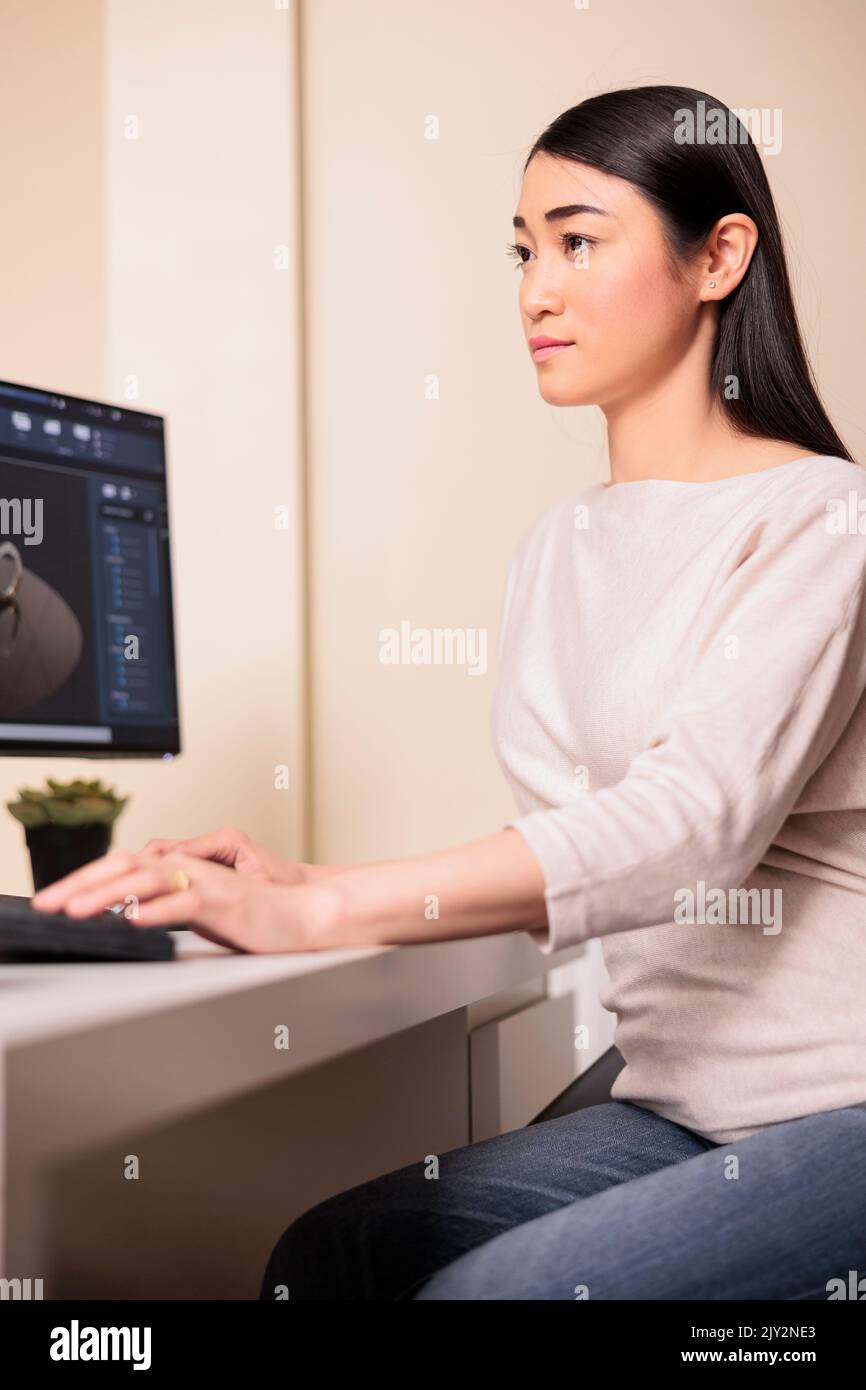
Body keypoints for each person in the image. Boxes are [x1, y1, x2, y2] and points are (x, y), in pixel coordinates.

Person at [33, 85, 866, 1299]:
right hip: (681, 1107)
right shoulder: (555, 550)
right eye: (523, 251)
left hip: (835, 1105)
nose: (535, 290)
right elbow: (571, 832)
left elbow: (687, 831)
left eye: (579, 241)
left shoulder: (821, 521)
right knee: (328, 1256)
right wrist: (300, 879)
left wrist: (324, 913)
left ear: (717, 256)